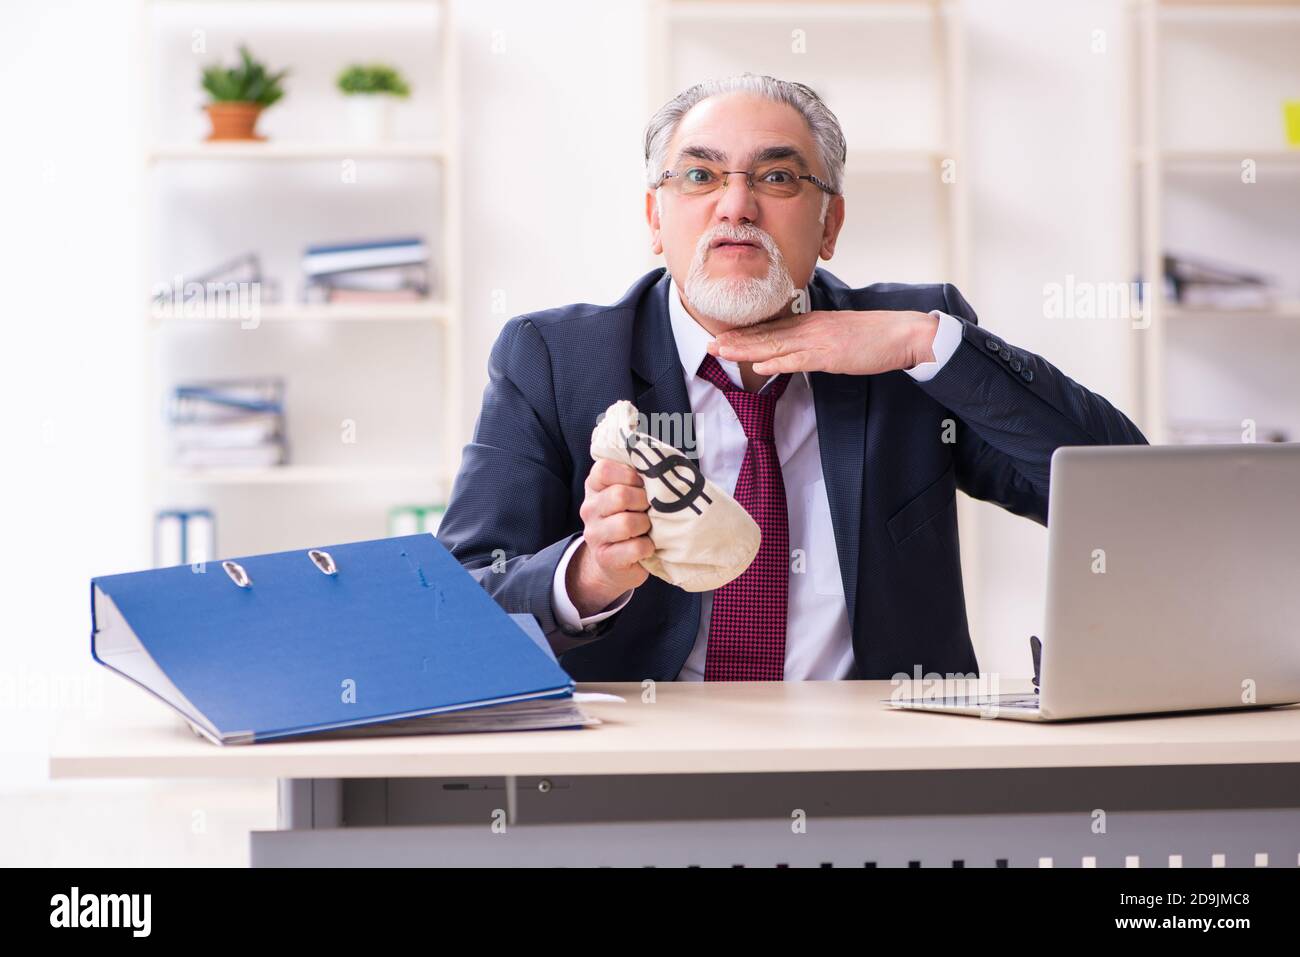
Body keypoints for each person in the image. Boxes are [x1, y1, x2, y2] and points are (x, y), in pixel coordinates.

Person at [437, 74, 1146, 682]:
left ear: (830, 223)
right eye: (700, 175)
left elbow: (1122, 490)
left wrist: (925, 340)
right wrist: (587, 575)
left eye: (777, 177)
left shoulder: (907, 349)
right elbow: (450, 606)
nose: (736, 204)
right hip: (643, 767)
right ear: (656, 218)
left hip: (881, 768)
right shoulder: (554, 357)